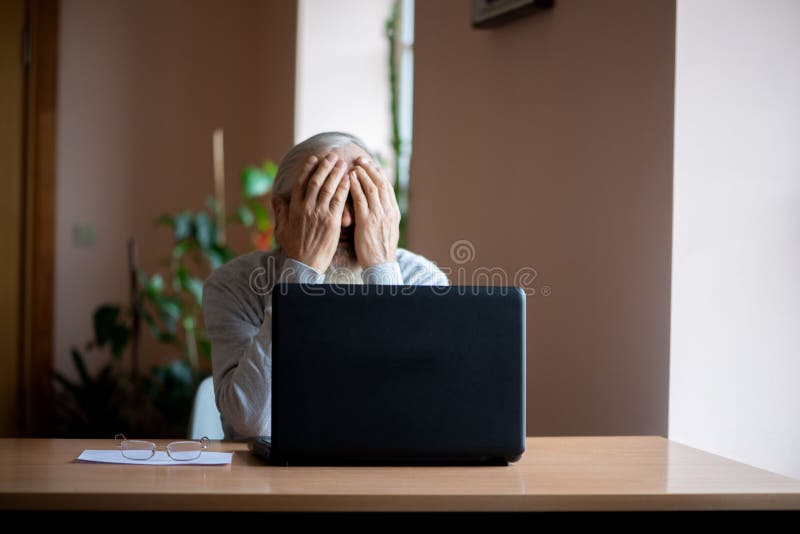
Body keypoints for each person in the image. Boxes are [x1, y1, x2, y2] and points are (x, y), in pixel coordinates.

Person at [202, 131, 449, 439]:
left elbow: (416, 414)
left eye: (358, 200)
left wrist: (383, 272)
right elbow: (254, 421)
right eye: (325, 200)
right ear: (282, 212)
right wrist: (302, 271)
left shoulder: (423, 281)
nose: (345, 220)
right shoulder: (235, 286)